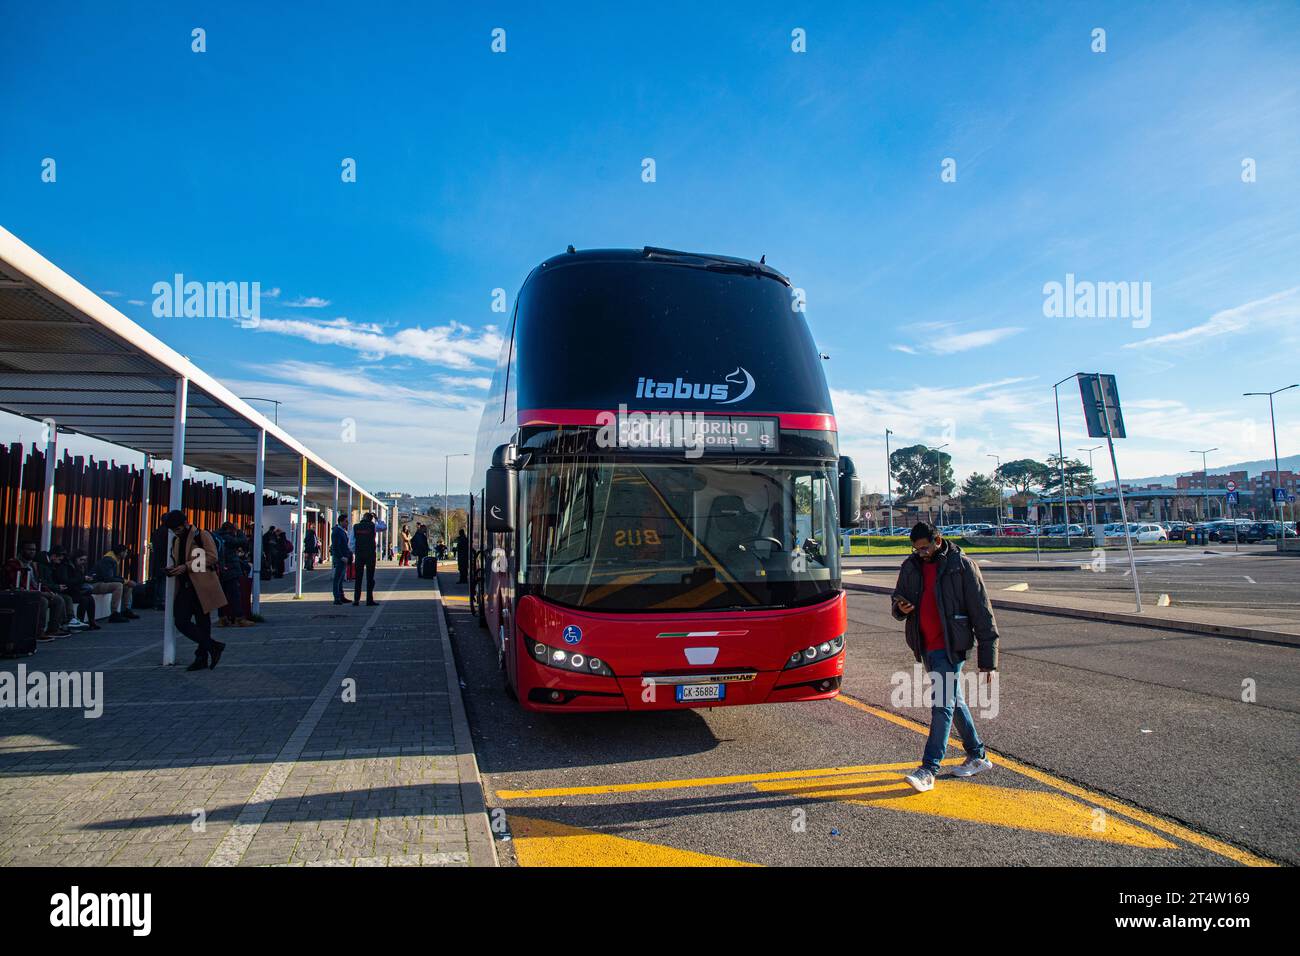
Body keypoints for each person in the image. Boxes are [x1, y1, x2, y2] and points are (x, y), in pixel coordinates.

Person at [891, 521, 998, 792]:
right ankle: (978, 755)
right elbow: (897, 600)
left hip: (951, 646)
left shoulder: (962, 566)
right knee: (954, 700)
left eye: (925, 548)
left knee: (942, 704)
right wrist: (900, 607)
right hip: (925, 645)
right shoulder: (911, 566)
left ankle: (928, 769)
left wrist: (988, 661)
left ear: (938, 540)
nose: (921, 553)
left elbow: (983, 613)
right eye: (916, 549)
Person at [161, 509, 227, 671]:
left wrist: (186, 567)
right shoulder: (176, 541)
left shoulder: (201, 535)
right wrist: (174, 569)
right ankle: (213, 646)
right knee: (181, 621)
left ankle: (202, 657)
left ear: (185, 523)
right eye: (172, 530)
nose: (175, 532)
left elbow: (212, 557)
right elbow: (180, 561)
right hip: (185, 586)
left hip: (202, 586)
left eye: (177, 529)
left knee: (202, 623)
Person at [14, 541, 72, 639]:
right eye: (29, 549)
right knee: (43, 601)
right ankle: (39, 632)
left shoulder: (33, 565)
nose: (32, 552)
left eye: (34, 550)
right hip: (22, 593)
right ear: (22, 550)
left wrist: (49, 592)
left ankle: (53, 629)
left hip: (36, 591)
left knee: (58, 599)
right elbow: (19, 584)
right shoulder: (15, 563)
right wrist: (42, 592)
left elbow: (38, 582)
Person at [215, 522, 252, 628]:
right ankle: (239, 618)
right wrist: (239, 531)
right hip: (230, 570)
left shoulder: (217, 536)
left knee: (222, 595)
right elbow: (243, 542)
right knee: (235, 595)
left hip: (220, 570)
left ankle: (222, 618)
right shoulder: (227, 537)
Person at [56, 549, 101, 630]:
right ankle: (81, 621)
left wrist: (85, 579)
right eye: (81, 559)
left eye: (84, 560)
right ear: (75, 558)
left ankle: (91, 621)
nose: (83, 562)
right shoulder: (66, 566)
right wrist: (83, 578)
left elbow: (78, 580)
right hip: (68, 591)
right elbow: (66, 581)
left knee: (90, 598)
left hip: (75, 590)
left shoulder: (79, 567)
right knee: (84, 599)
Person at [93, 543, 139, 620]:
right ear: (121, 552)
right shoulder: (108, 560)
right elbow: (108, 578)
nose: (126, 554)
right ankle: (114, 613)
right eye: (126, 552)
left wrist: (126, 582)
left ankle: (127, 609)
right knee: (118, 585)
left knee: (128, 586)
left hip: (102, 583)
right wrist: (125, 581)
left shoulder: (114, 560)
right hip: (96, 584)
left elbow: (113, 577)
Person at [351, 511, 378, 606]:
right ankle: (369, 600)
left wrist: (355, 552)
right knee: (370, 578)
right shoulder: (373, 526)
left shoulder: (356, 527)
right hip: (370, 554)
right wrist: (377, 519)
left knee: (358, 578)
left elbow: (351, 542)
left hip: (359, 554)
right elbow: (384, 527)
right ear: (371, 519)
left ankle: (356, 600)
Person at [330, 514, 352, 605]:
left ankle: (341, 596)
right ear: (341, 521)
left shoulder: (342, 531)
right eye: (346, 521)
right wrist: (341, 557)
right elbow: (335, 546)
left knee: (341, 578)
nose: (348, 523)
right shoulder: (337, 531)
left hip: (344, 558)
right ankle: (337, 598)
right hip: (340, 559)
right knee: (337, 578)